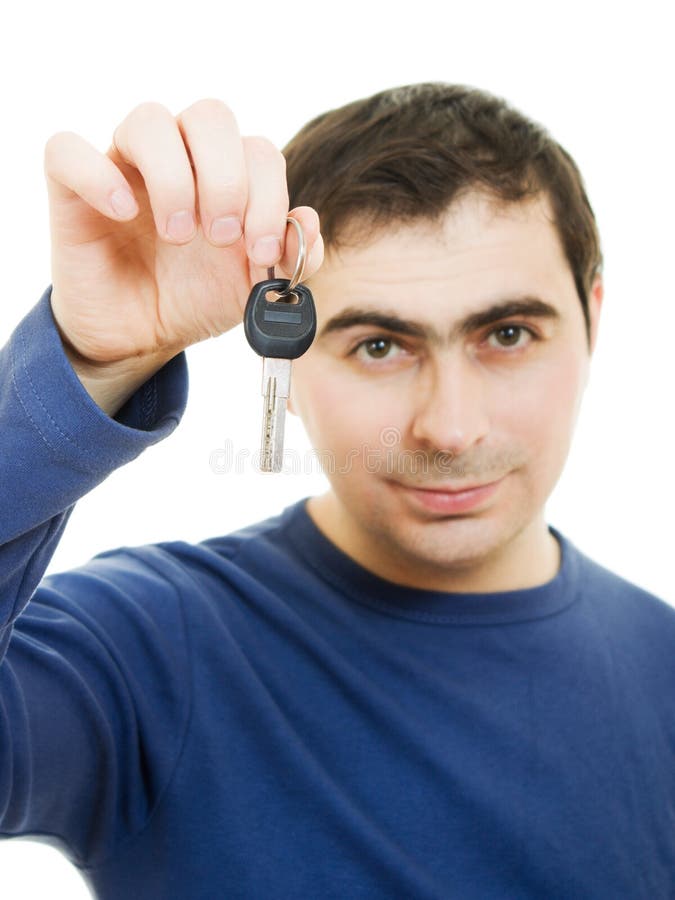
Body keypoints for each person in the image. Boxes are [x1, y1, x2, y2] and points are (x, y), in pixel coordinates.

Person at [1, 83, 673, 899]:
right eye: (380, 345)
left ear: (591, 321)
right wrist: (82, 368)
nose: (450, 429)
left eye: (507, 335)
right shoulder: (141, 648)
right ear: (286, 348)